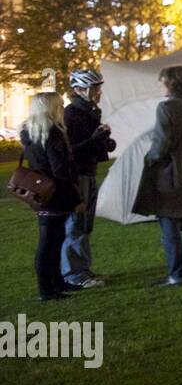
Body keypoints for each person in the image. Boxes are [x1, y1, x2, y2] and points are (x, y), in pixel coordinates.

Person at [132, 65, 182, 286]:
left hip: (169, 172)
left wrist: (151, 159)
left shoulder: (166, 108)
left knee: (169, 224)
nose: (161, 85)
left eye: (163, 81)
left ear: (171, 83)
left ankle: (176, 273)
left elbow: (161, 142)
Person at [19, 93, 84, 302]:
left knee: (52, 241)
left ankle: (55, 283)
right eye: (60, 105)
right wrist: (76, 197)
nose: (63, 108)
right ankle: (47, 289)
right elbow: (60, 169)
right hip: (56, 193)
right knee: (50, 243)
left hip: (40, 191)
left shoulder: (30, 133)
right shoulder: (52, 133)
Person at [62, 70, 115, 289]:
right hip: (78, 175)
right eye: (95, 88)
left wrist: (104, 143)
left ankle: (81, 268)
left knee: (85, 225)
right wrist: (95, 140)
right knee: (76, 224)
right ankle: (74, 273)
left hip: (89, 172)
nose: (99, 92)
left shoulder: (90, 112)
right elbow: (70, 151)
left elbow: (90, 146)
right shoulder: (72, 115)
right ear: (80, 90)